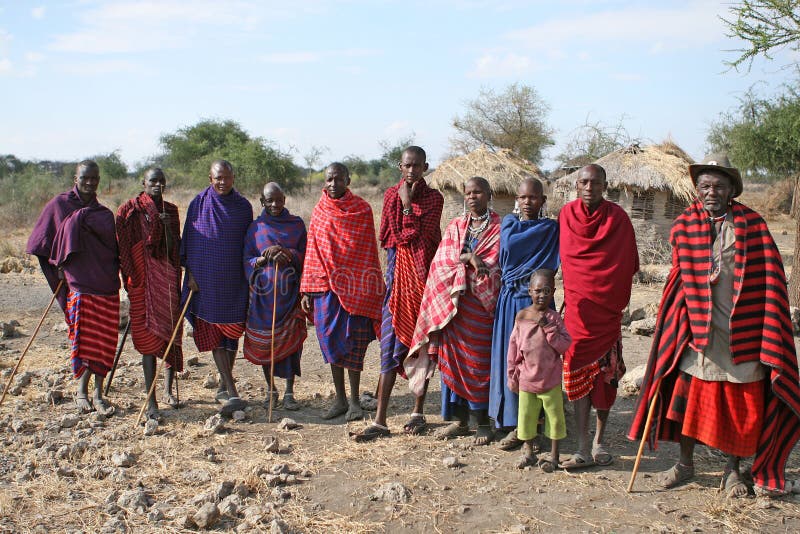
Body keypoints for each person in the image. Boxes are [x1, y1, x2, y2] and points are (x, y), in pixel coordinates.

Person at [628, 154, 800, 497]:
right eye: (705, 185)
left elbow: (771, 280)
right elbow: (679, 280)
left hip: (743, 333)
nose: (711, 191)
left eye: (719, 186)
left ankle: (732, 471)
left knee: (742, 408)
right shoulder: (684, 226)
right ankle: (685, 464)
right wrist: (677, 318)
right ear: (696, 188)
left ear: (731, 189)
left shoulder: (753, 225)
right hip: (699, 335)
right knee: (691, 403)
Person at [350, 146, 443, 441]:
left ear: (425, 167)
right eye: (407, 166)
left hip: (423, 283)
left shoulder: (434, 199)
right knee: (389, 347)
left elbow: (420, 235)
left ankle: (417, 412)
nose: (412, 170)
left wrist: (407, 206)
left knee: (423, 348)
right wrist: (402, 202)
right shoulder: (391, 195)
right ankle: (380, 419)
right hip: (396, 285)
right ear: (400, 167)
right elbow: (392, 236)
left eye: (417, 166)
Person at [404, 176, 501, 446]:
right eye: (468, 193)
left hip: (481, 308)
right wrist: (469, 258)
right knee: (452, 361)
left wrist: (475, 265)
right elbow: (442, 263)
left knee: (480, 363)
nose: (473, 197)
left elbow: (496, 266)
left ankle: (482, 422)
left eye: (479, 192)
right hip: (452, 308)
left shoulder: (499, 228)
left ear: (489, 194)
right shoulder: (456, 226)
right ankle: (458, 420)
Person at [558, 164, 638, 469]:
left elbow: (627, 262)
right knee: (578, 374)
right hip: (578, 312)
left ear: (605, 185)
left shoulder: (618, 219)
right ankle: (581, 443)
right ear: (576, 186)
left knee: (607, 379)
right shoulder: (566, 215)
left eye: (595, 182)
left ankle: (600, 440)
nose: (589, 187)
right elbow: (564, 256)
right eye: (583, 182)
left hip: (606, 313)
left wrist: (610, 295)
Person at [26, 160, 120, 415]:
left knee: (105, 340)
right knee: (84, 338)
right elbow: (41, 242)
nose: (90, 182)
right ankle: (81, 391)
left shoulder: (104, 214)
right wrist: (57, 270)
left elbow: (113, 251)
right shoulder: (60, 205)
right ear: (75, 179)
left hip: (107, 285)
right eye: (85, 178)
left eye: (95, 178)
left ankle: (99, 393)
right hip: (78, 284)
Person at [300, 162, 384, 421]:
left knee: (353, 343)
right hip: (325, 288)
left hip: (356, 287)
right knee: (331, 342)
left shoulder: (362, 210)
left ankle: (356, 402)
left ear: (348, 181)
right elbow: (312, 252)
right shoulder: (320, 211)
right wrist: (306, 288)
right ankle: (339, 399)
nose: (333, 184)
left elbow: (367, 251)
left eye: (339, 179)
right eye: (329, 179)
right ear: (324, 181)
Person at [490, 178, 560, 451]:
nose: (527, 202)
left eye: (533, 198)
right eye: (522, 197)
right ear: (516, 199)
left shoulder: (551, 229)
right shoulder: (508, 224)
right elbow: (508, 251)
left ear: (543, 201)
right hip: (509, 302)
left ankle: (535, 427)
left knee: (537, 364)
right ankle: (512, 423)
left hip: (537, 305)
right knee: (511, 362)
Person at [181, 159, 253, 417]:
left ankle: (224, 384)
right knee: (214, 332)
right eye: (217, 178)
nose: (222, 182)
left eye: (226, 177)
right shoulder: (198, 204)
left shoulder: (243, 207)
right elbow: (189, 242)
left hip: (234, 280)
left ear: (233, 178)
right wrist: (189, 274)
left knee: (232, 332)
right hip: (206, 280)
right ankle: (232, 390)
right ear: (210, 178)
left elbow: (249, 244)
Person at [116, 168, 183, 420]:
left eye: (162, 182)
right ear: (143, 183)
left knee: (169, 335)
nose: (158, 185)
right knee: (146, 340)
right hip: (142, 282)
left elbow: (174, 249)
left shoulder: (172, 211)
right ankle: (151, 398)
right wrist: (130, 280)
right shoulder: (128, 211)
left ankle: (168, 390)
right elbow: (123, 249)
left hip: (166, 280)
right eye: (153, 181)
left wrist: (165, 228)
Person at [243, 182, 307, 410]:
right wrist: (264, 257)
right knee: (264, 344)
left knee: (292, 345)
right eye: (269, 201)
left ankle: (289, 392)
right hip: (262, 299)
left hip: (289, 295)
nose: (275, 205)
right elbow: (247, 259)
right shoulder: (255, 228)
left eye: (278, 200)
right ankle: (271, 390)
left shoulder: (296, 225)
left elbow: (306, 255)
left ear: (285, 199)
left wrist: (288, 253)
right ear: (262, 202)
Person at [507, 269, 571, 471]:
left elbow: (564, 346)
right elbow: (514, 347)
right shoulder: (522, 316)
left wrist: (549, 329)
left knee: (554, 418)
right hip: (527, 378)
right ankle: (528, 453)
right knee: (526, 418)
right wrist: (512, 374)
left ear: (553, 292)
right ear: (529, 291)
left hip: (550, 379)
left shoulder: (554, 319)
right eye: (537, 291)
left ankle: (554, 456)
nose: (542, 295)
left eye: (546, 291)